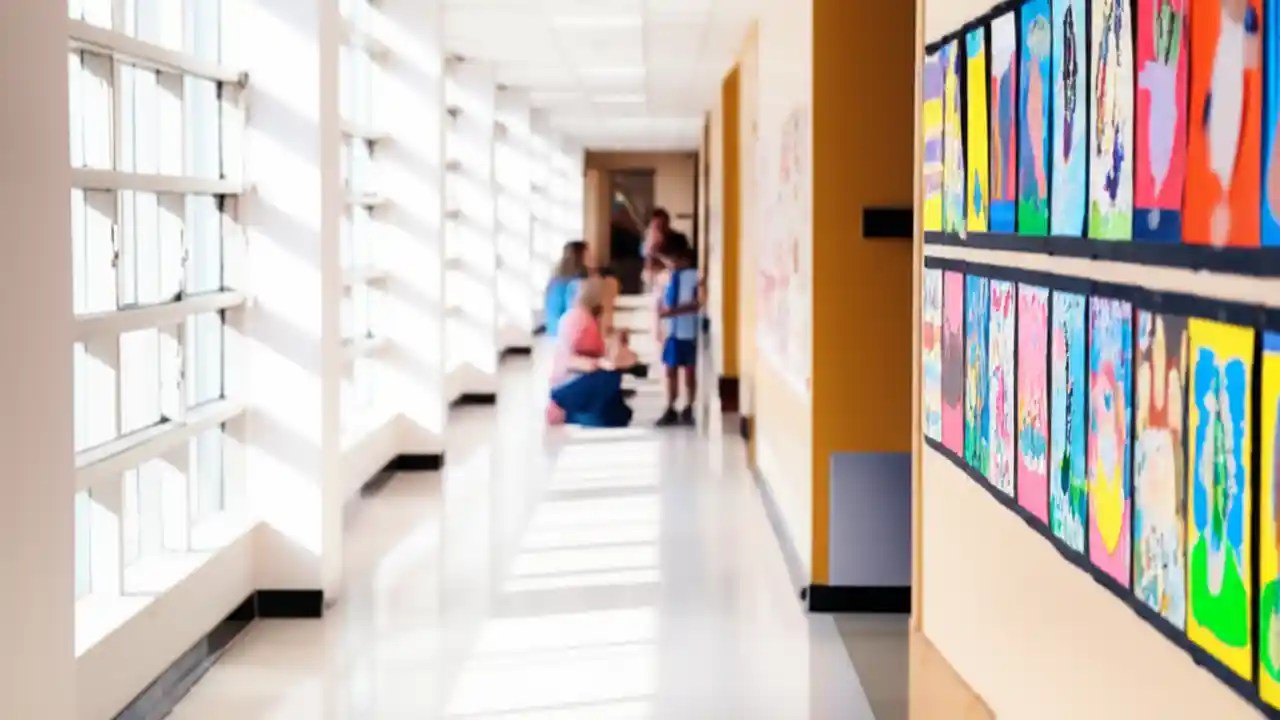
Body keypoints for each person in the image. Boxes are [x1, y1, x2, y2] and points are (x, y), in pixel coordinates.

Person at [546, 278, 638, 428]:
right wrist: (597, 363)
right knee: (608, 377)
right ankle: (571, 412)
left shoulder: (590, 319)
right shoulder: (578, 319)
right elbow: (569, 359)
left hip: (579, 374)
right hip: (569, 380)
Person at [655, 234, 703, 427]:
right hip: (672, 332)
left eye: (671, 260)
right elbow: (662, 302)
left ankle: (689, 406)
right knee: (670, 370)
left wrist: (674, 311)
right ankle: (670, 406)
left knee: (689, 371)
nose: (669, 265)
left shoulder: (694, 276)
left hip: (688, 331)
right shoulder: (668, 277)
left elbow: (697, 303)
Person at [544, 240, 589, 337]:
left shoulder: (555, 276)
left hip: (552, 330)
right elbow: (574, 310)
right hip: (566, 332)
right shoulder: (574, 281)